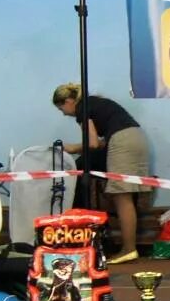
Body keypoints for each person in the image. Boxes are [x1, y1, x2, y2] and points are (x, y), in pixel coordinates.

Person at [53, 83, 151, 264]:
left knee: (122, 196)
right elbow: (101, 143)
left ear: (68, 101)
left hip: (123, 141)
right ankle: (128, 247)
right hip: (135, 138)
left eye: (62, 109)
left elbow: (92, 144)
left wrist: (73, 147)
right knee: (126, 195)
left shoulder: (83, 108)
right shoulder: (96, 103)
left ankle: (128, 249)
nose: (64, 113)